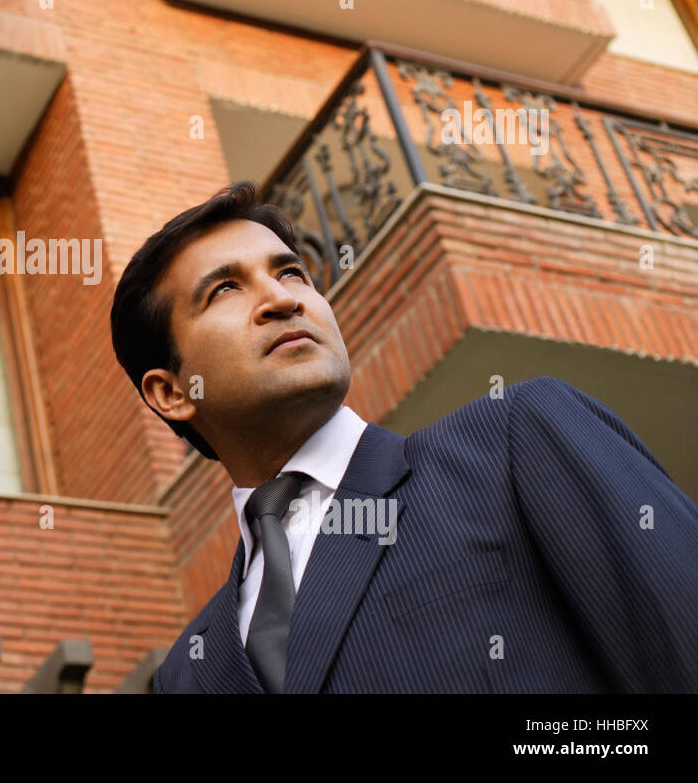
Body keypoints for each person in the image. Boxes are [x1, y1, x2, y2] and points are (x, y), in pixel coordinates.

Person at [109, 180, 698, 692]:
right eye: (225, 290)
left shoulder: (516, 442)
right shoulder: (189, 670)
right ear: (172, 392)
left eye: (291, 272)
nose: (284, 299)